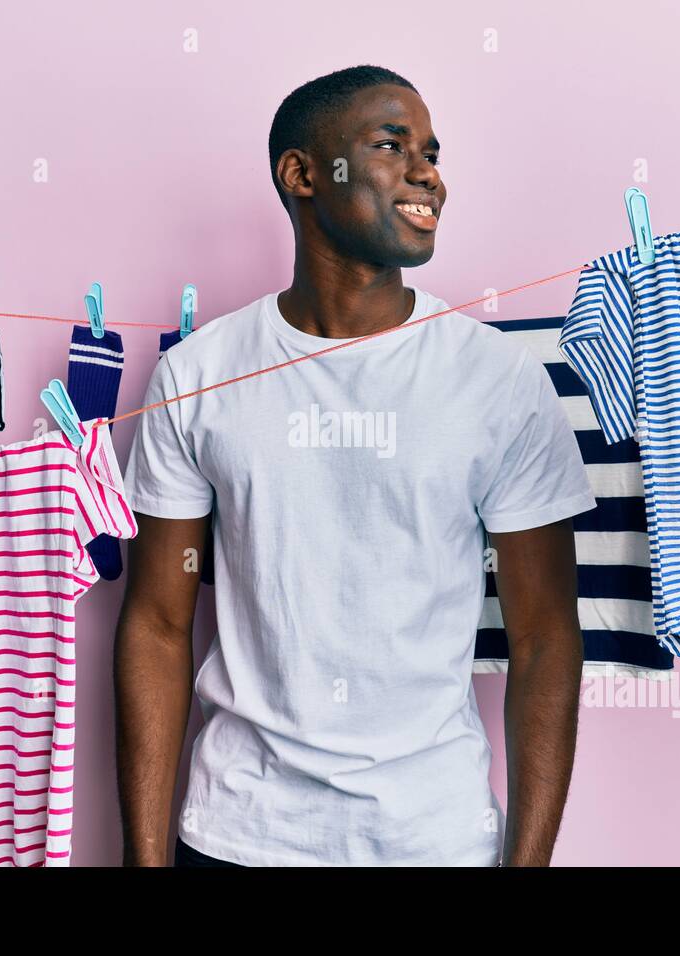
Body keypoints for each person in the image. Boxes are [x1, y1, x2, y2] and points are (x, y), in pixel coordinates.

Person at [115, 64, 595, 867]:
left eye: (433, 152)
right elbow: (158, 625)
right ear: (303, 175)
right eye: (391, 144)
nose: (427, 173)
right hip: (236, 833)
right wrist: (144, 860)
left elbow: (547, 636)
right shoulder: (199, 374)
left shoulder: (498, 380)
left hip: (432, 839)